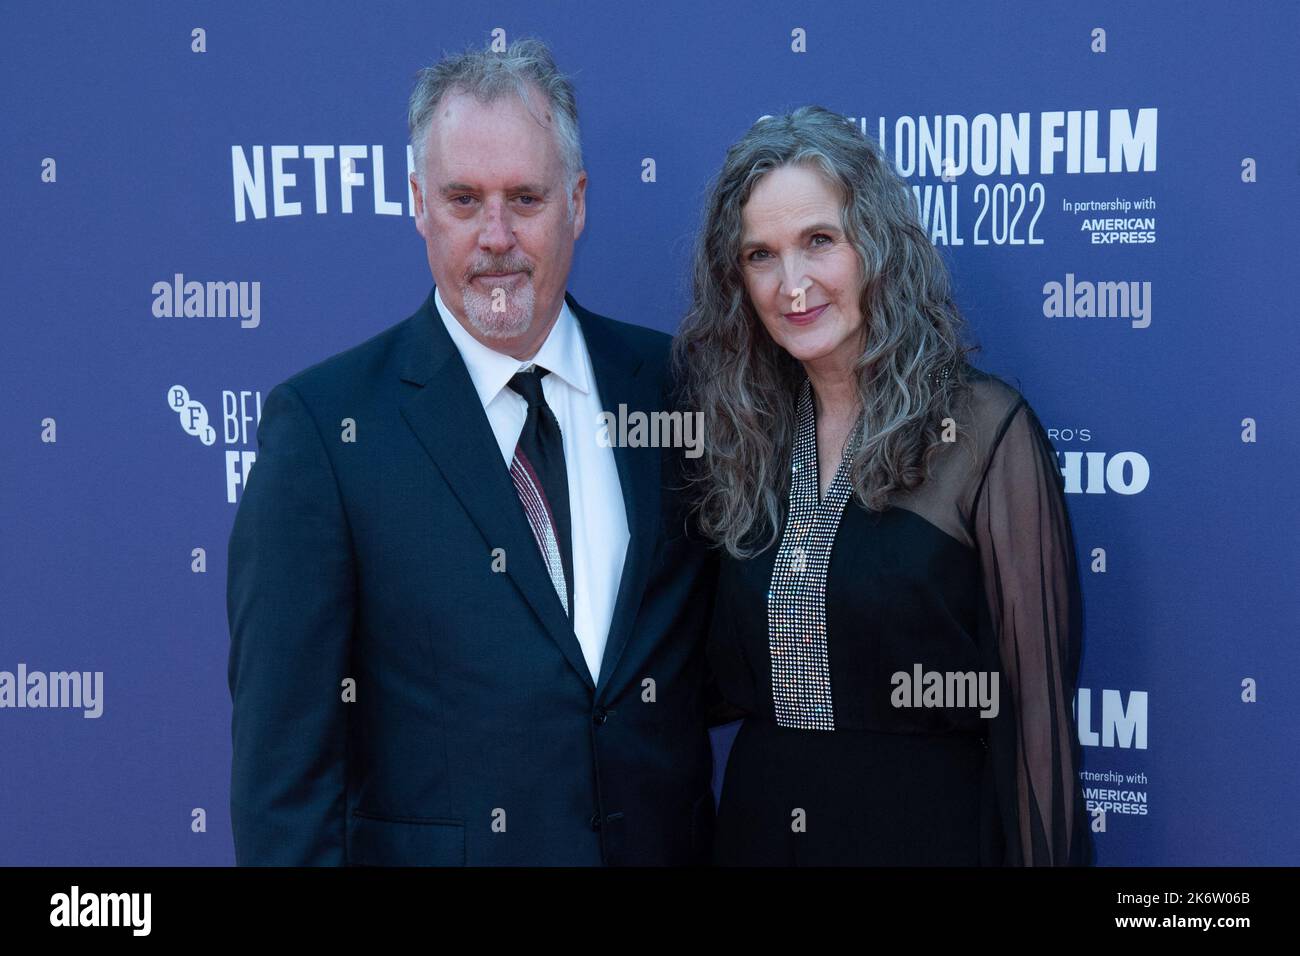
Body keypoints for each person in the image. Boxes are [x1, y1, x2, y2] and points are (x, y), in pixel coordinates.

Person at [227, 38, 718, 866]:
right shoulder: (326, 430)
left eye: (525, 197)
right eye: (463, 199)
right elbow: (284, 783)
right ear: (418, 203)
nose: (496, 237)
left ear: (579, 202)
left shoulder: (673, 388)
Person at [674, 106, 1093, 866]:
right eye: (760, 255)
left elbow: (1035, 723)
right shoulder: (743, 436)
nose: (791, 284)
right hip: (764, 833)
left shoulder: (982, 433)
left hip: (929, 837)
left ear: (877, 246)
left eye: (819, 242)